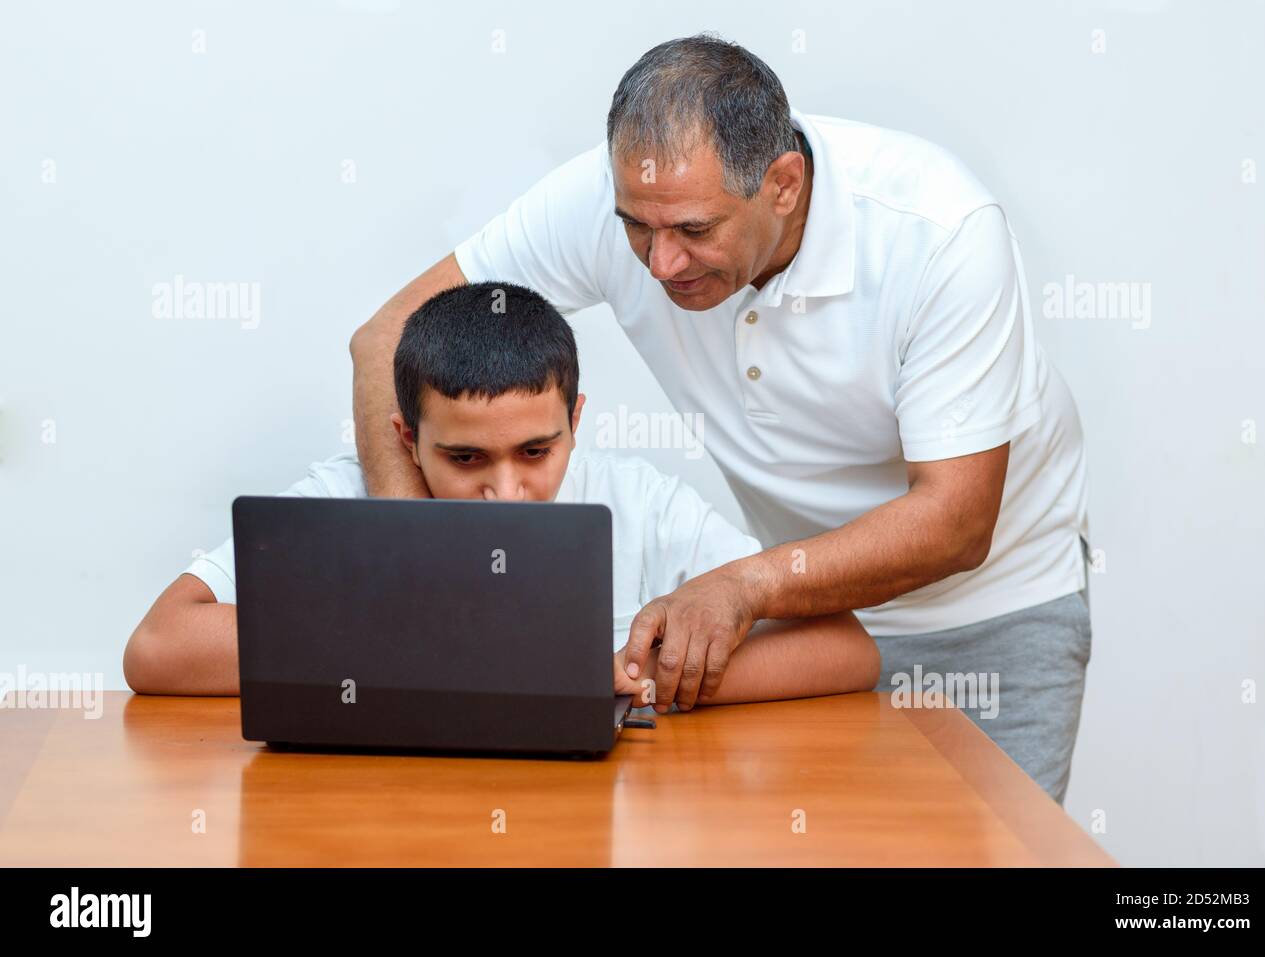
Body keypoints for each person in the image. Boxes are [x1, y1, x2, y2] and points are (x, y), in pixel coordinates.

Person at [347, 35, 1091, 802]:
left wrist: (745, 585)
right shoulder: (632, 199)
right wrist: (424, 563)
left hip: (994, 613)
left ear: (784, 184)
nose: (660, 262)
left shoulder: (940, 233)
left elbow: (957, 522)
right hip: (802, 634)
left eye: (696, 232)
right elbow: (385, 337)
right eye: (639, 227)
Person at [124, 282, 880, 704]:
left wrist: (626, 676)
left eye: (535, 451)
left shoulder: (637, 501)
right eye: (463, 457)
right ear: (405, 439)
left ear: (575, 422)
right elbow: (159, 646)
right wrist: (482, 661)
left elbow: (845, 651)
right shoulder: (348, 494)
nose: (507, 491)